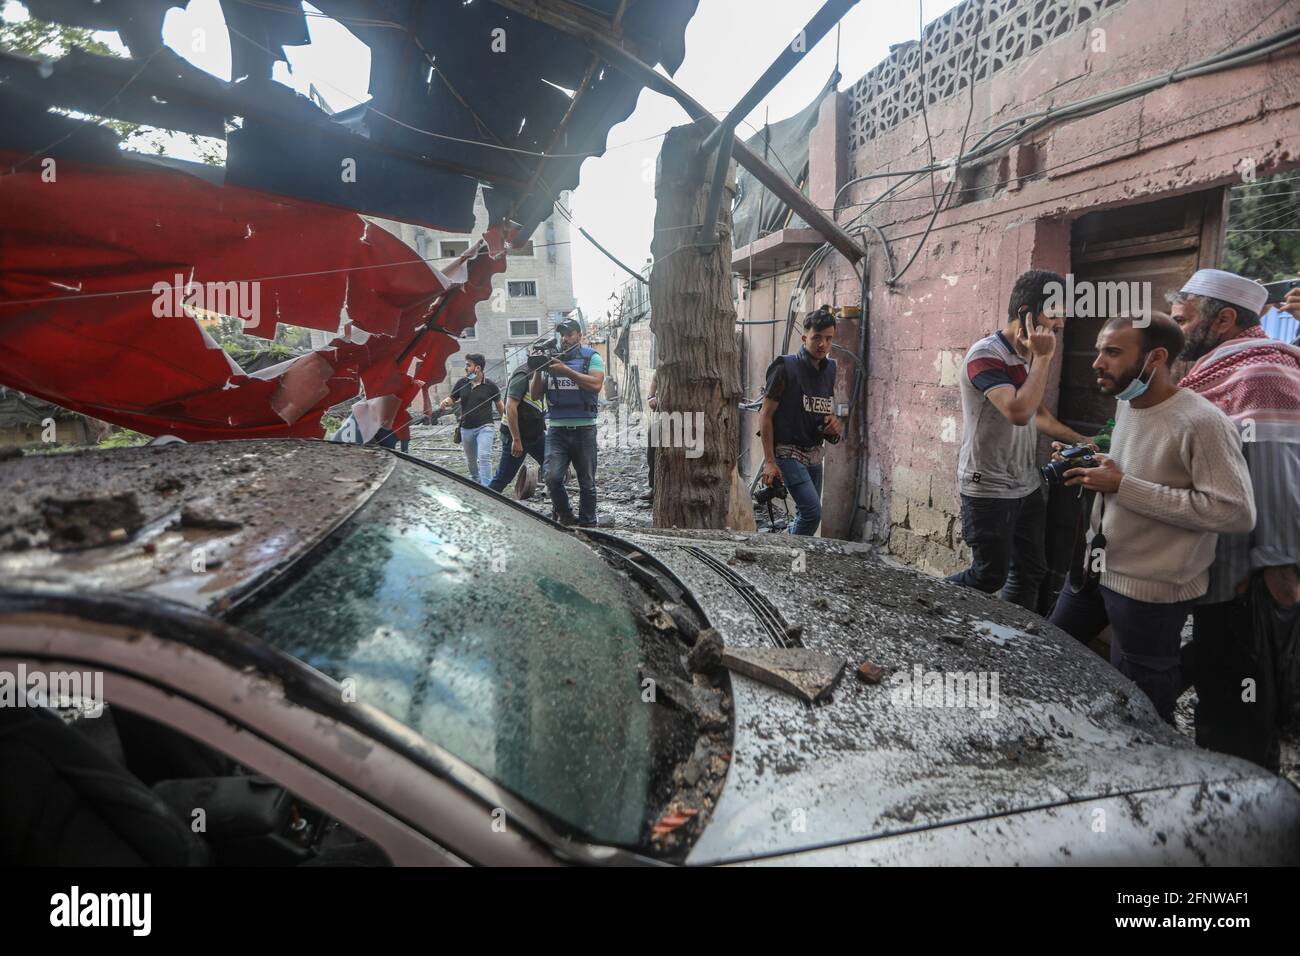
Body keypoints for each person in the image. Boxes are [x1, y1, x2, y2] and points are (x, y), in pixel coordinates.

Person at [1047, 313, 1256, 724]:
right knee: (1050, 650)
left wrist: (1122, 485)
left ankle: (1151, 757)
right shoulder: (1128, 403)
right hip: (1093, 570)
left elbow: (1235, 511)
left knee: (1143, 694)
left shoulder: (1202, 422)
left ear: (1155, 358)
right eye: (1098, 351)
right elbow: (1138, 471)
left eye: (1112, 352)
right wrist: (1099, 465)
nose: (1097, 363)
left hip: (1151, 591)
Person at [1170, 269, 1300, 770]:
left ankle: (1244, 794)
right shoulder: (1230, 368)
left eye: (1184, 320)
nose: (1177, 330)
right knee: (1222, 677)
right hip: (1222, 567)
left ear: (1223, 320)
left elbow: (1275, 477)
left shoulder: (1258, 375)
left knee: (1240, 703)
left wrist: (1276, 568)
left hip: (1246, 576)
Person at [946, 270, 1093, 610]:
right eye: (1054, 313)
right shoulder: (986, 354)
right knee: (988, 576)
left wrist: (1081, 439)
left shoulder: (1028, 356)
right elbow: (1018, 411)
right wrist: (1044, 358)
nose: (1061, 323)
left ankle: (1013, 635)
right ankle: (923, 601)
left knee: (1030, 570)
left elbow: (1039, 414)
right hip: (989, 485)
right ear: (1027, 313)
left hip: (1026, 484)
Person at [757, 306, 841, 536]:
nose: (823, 344)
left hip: (814, 452)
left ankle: (782, 547)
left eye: (828, 339)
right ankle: (789, 554)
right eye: (817, 337)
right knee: (812, 513)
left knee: (805, 515)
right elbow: (765, 415)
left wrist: (833, 424)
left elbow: (825, 409)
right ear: (805, 338)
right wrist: (770, 461)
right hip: (787, 452)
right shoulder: (785, 367)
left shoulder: (830, 369)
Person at [531, 316, 605, 526]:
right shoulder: (550, 360)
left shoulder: (591, 357)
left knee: (587, 482)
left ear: (579, 336)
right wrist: (538, 368)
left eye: (569, 334)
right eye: (562, 335)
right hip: (557, 430)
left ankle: (588, 524)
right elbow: (535, 394)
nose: (565, 338)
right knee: (552, 477)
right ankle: (565, 515)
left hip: (584, 429)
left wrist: (566, 371)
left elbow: (596, 385)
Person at [440, 353, 502, 485]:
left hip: (485, 427)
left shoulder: (490, 385)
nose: (465, 368)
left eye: (468, 365)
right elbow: (452, 398)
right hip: (466, 428)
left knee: (484, 457)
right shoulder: (462, 383)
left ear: (477, 368)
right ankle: (475, 481)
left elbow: (499, 405)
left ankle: (487, 487)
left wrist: (506, 422)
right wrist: (446, 402)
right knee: (471, 460)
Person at [488, 361, 547, 495]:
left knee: (552, 464)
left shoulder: (544, 371)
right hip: (517, 435)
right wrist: (516, 439)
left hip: (535, 433)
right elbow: (510, 407)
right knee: (503, 478)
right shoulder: (522, 374)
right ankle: (484, 501)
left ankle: (555, 499)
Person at [641, 370, 658, 502]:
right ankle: (653, 487)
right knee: (652, 452)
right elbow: (656, 378)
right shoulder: (665, 365)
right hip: (662, 411)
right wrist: (651, 397)